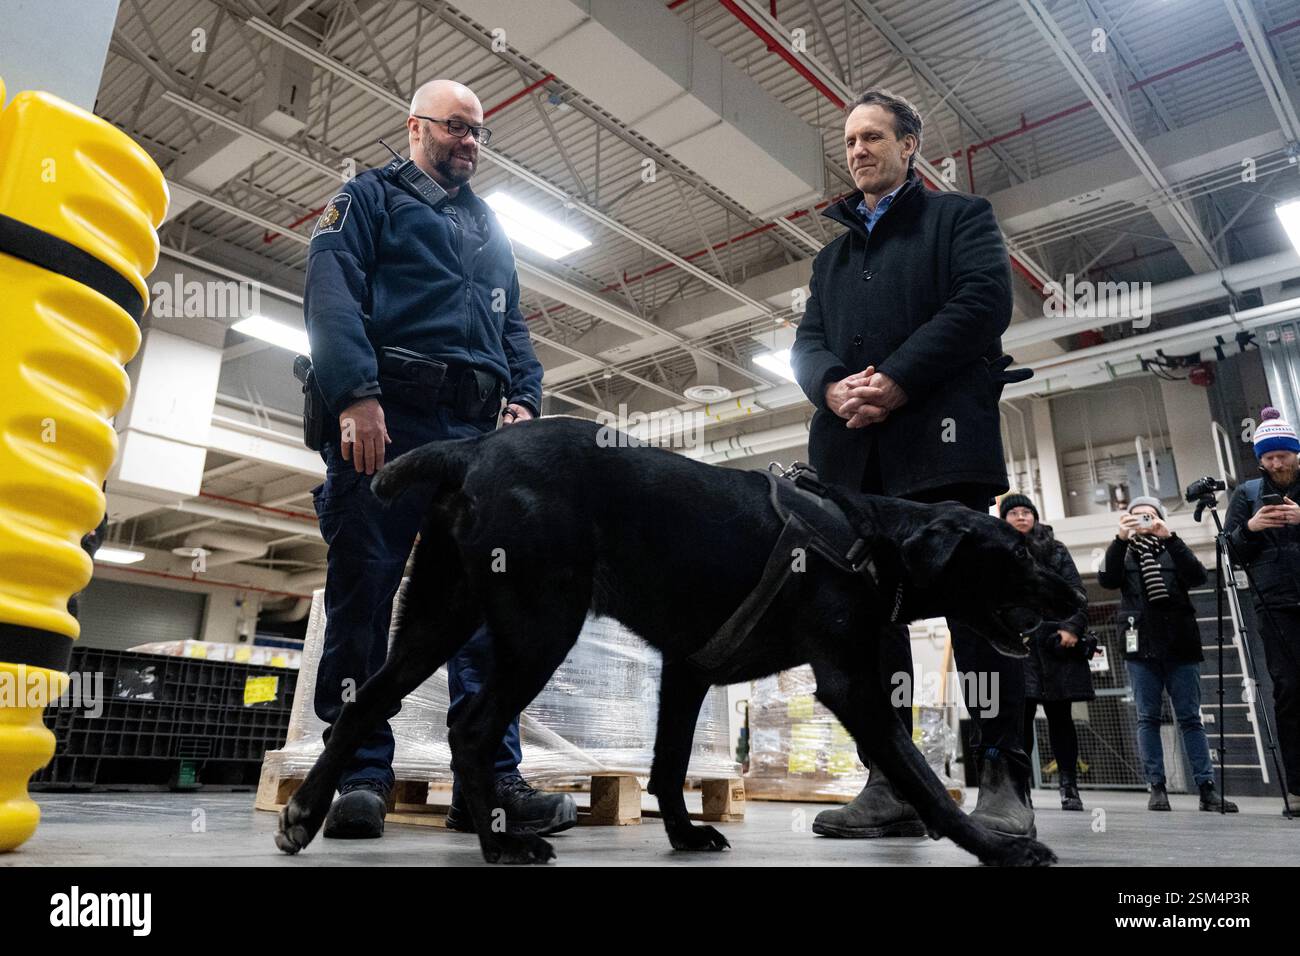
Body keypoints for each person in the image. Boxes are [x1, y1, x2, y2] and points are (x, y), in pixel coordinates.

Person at [303, 78, 576, 839]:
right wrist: (356, 395)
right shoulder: (368, 198)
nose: (471, 143)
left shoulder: (488, 225)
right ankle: (358, 771)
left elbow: (513, 326)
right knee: (367, 591)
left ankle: (485, 780)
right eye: (458, 128)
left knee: (487, 606)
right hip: (390, 418)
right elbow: (330, 292)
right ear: (416, 126)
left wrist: (525, 400)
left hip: (479, 437)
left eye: (480, 133)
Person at [791, 88, 1031, 838]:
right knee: (870, 627)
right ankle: (894, 785)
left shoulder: (960, 219)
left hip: (940, 446)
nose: (858, 149)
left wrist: (896, 381)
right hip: (851, 467)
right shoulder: (831, 258)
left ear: (909, 145)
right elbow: (807, 341)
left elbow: (983, 302)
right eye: (850, 140)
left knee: (976, 612)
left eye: (872, 137)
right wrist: (833, 388)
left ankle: (1003, 781)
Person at [1098, 497, 1237, 812]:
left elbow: (1198, 575)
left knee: (1190, 718)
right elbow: (1107, 579)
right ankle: (1157, 787)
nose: (1143, 522)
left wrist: (1170, 536)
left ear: (1160, 517)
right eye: (1136, 518)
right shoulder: (1123, 553)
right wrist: (1119, 539)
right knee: (1147, 718)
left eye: (1149, 516)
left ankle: (1207, 789)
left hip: (1180, 644)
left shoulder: (1173, 548)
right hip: (1141, 645)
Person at [1224, 406, 1300, 802]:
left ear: (1296, 453)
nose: (1275, 463)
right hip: (1274, 604)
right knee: (1288, 690)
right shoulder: (1247, 494)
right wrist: (1251, 528)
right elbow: (1230, 549)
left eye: (1282, 456)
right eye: (1268, 458)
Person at [999, 494, 1094, 811]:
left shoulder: (1056, 549)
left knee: (1061, 719)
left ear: (1035, 517)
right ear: (1004, 519)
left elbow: (1077, 592)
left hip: (1056, 645)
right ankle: (1020, 788)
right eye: (1014, 512)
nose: (1021, 517)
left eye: (1027, 512)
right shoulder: (996, 551)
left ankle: (1069, 786)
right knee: (1020, 721)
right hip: (1019, 646)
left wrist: (1071, 628)